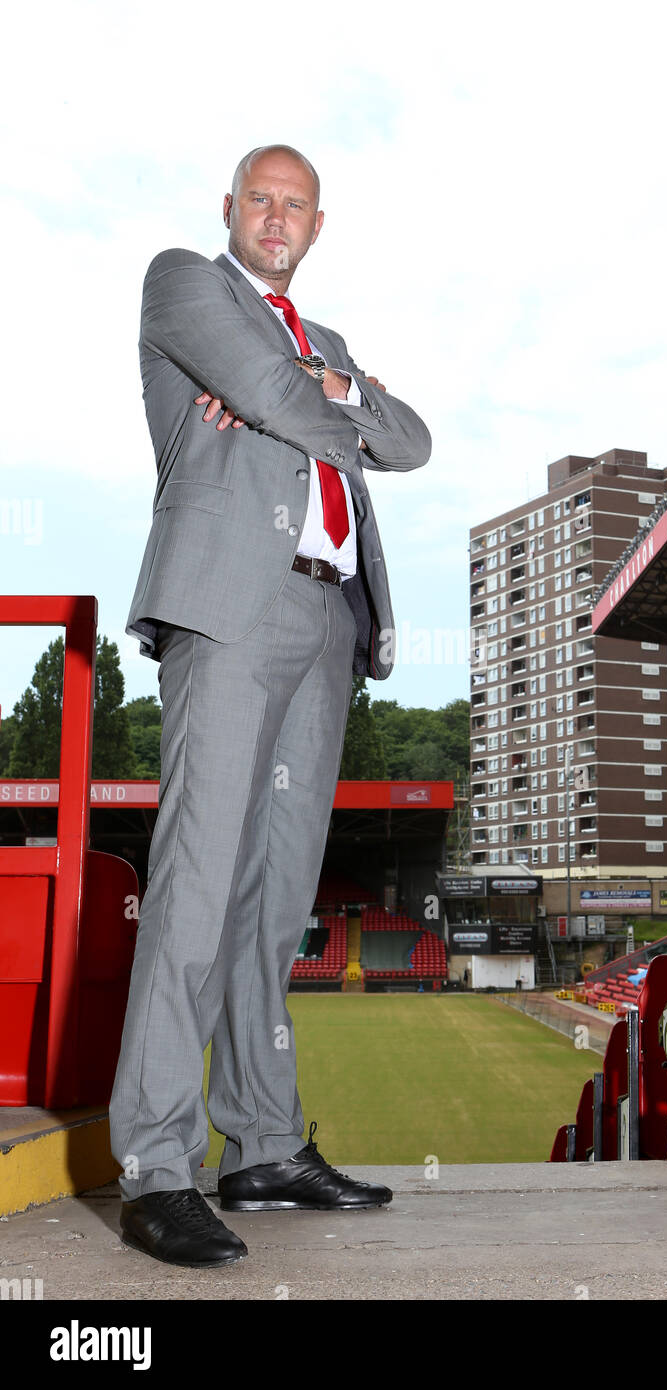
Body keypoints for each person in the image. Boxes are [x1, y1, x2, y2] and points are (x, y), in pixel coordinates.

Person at [110, 144, 431, 1269]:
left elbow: (416, 442)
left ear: (317, 223)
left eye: (297, 204)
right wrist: (331, 405)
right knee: (198, 877)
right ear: (232, 209)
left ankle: (260, 1143)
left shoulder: (322, 347)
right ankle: (155, 1161)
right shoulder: (185, 283)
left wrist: (319, 394)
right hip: (231, 608)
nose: (277, 216)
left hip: (327, 620)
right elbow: (269, 394)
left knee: (273, 894)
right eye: (261, 198)